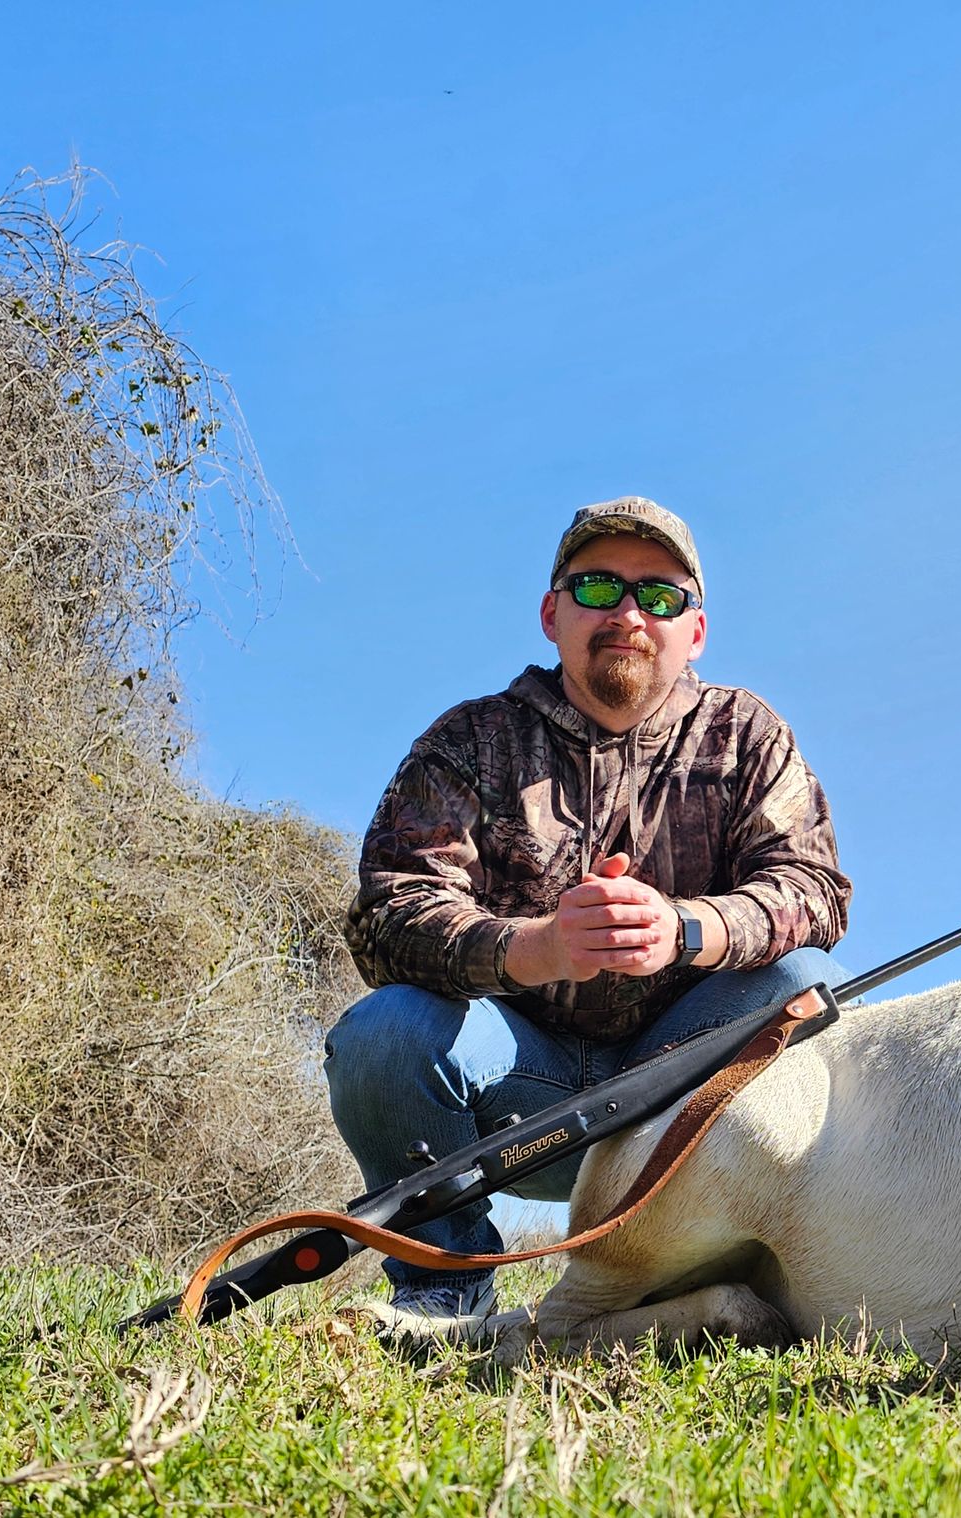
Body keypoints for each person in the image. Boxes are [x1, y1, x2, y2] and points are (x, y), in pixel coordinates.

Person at [326, 497, 853, 1340]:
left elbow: (814, 890)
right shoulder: (469, 740)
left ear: (697, 630)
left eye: (661, 596)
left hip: (677, 1088)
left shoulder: (748, 735)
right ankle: (443, 1287)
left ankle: (716, 1260)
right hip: (515, 1086)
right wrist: (532, 949)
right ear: (552, 612)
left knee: (809, 986)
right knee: (384, 1033)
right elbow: (392, 906)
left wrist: (685, 929)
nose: (630, 614)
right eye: (599, 587)